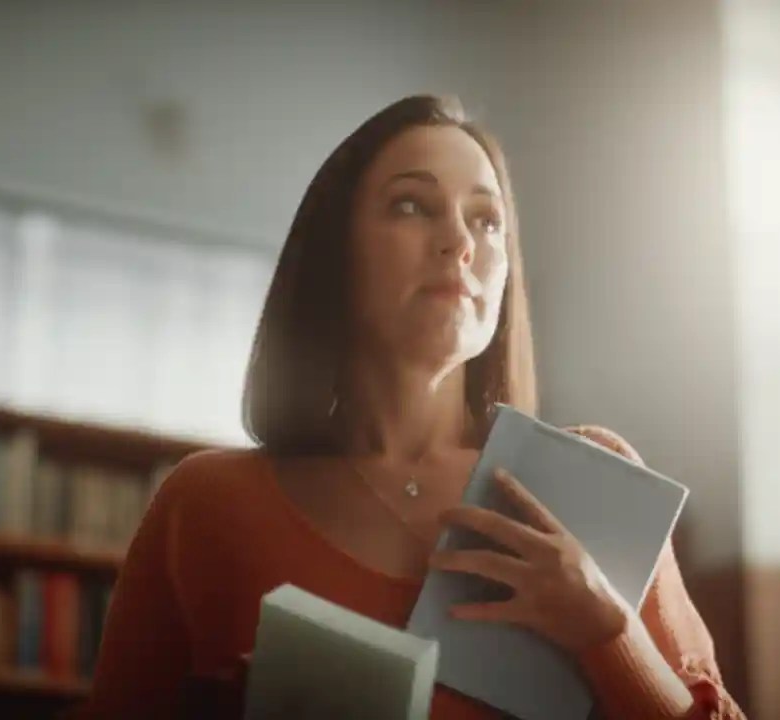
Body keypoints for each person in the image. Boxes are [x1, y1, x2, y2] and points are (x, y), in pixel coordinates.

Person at [79, 95, 745, 719]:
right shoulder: (206, 505)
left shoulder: (591, 481)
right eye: (410, 206)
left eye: (485, 219)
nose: (459, 241)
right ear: (336, 253)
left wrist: (609, 629)